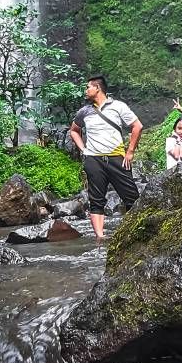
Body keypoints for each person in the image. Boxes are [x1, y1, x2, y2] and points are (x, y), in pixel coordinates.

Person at [69, 75, 143, 240]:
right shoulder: (84, 111)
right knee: (96, 200)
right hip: (93, 159)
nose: (86, 90)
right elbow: (74, 130)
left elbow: (137, 126)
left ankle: (136, 232)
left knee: (132, 196)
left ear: (97, 88)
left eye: (88, 87)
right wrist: (83, 150)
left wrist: (130, 151)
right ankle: (100, 237)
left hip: (117, 157)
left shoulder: (118, 106)